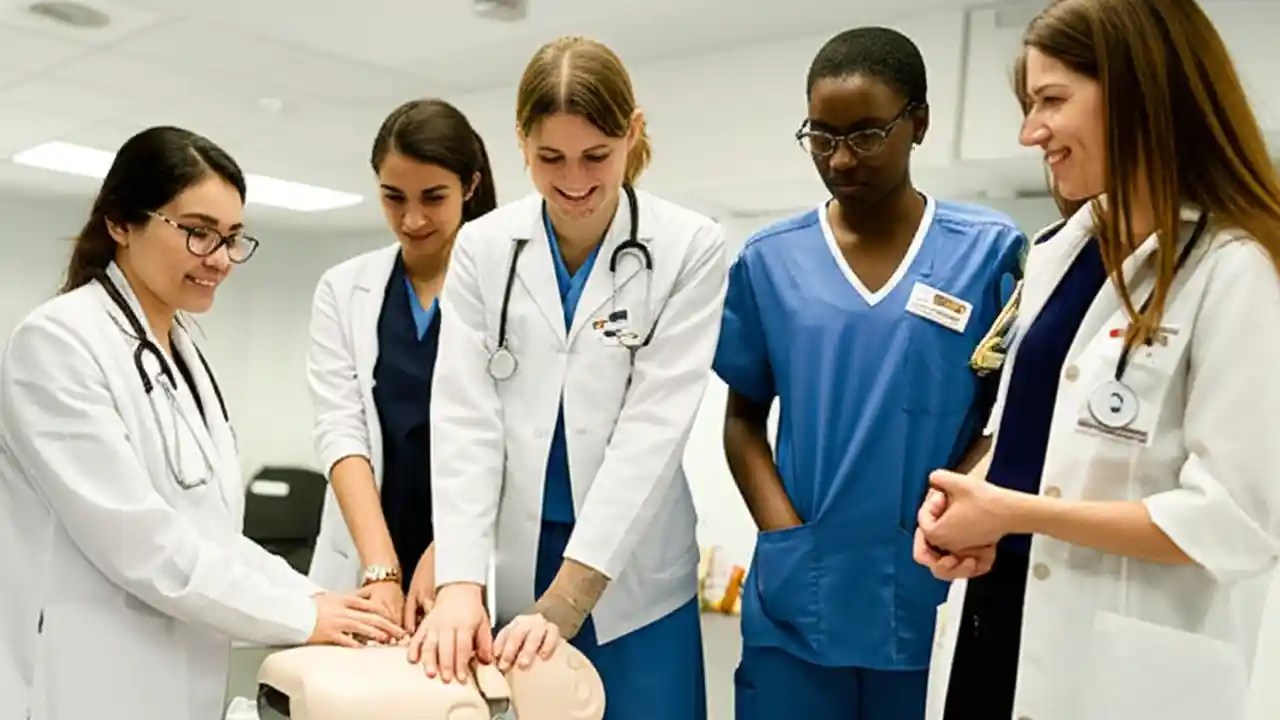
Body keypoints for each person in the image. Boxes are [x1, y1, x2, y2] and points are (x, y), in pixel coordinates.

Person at [913, 1, 1280, 719]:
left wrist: (1012, 513)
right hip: (994, 629)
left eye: (1052, 100)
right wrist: (970, 496)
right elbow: (1043, 437)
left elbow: (1237, 521)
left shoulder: (1237, 271)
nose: (1031, 132)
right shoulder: (1058, 253)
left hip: (1120, 673)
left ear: (1141, 89)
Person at [0, 126, 405, 720]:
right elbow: (141, 544)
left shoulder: (180, 349)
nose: (219, 259)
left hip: (174, 673)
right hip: (83, 681)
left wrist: (321, 598)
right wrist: (306, 616)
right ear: (120, 222)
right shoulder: (57, 343)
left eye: (232, 238)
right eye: (198, 233)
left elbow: (210, 538)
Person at [712, 26, 1027, 720]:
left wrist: (960, 507)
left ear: (918, 120)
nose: (841, 159)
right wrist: (784, 535)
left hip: (930, 587)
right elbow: (742, 418)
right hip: (798, 594)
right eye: (821, 138)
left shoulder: (989, 253)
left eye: (866, 134)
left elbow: (1010, 418)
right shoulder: (770, 260)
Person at [409, 35, 726, 720]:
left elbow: (654, 429)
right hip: (516, 557)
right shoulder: (484, 248)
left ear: (632, 133)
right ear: (521, 142)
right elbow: (463, 419)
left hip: (635, 574)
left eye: (596, 156)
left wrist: (569, 600)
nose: (574, 181)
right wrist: (461, 583)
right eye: (550, 158)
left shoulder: (688, 247)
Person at [306, 98, 497, 633]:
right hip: (369, 554)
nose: (411, 219)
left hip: (470, 553)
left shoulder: (509, 290)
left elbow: (512, 440)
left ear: (470, 185)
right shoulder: (344, 290)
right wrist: (381, 571)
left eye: (433, 197)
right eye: (393, 197)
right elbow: (341, 431)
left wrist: (454, 554)